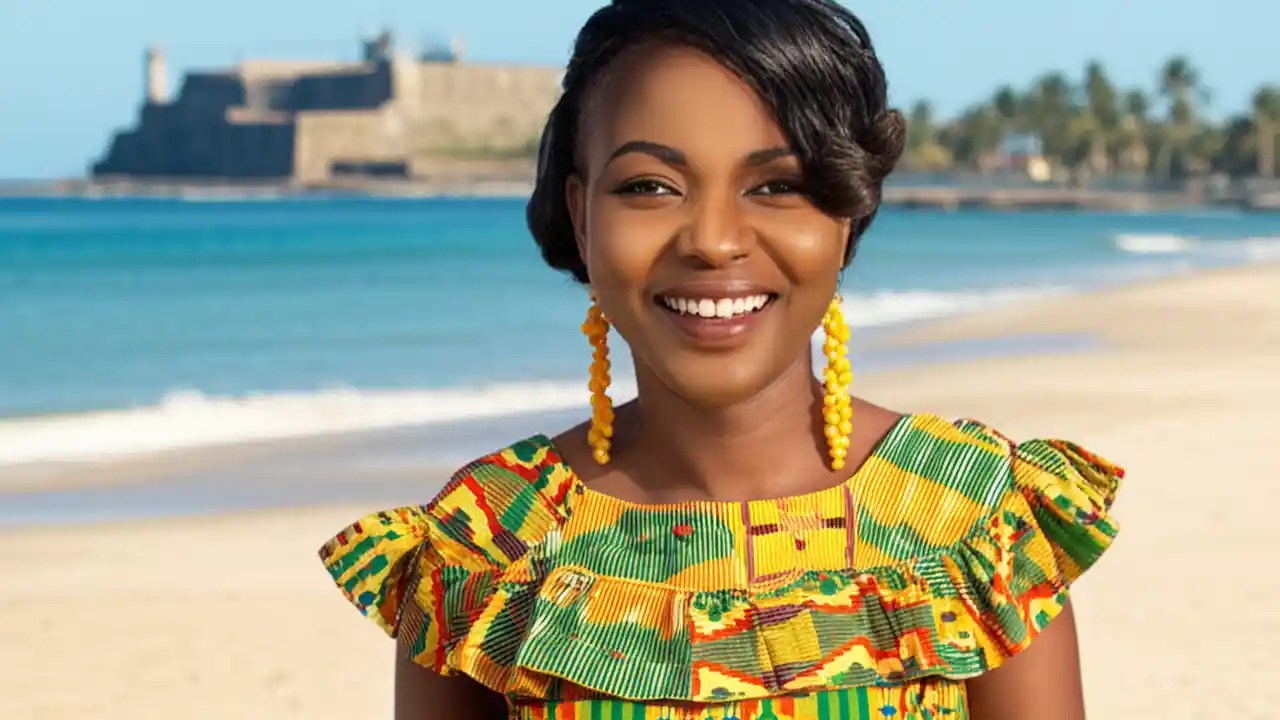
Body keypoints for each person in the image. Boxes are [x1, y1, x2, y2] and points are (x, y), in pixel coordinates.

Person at [318, 1, 1122, 718]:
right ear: (581, 213)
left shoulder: (978, 523)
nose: (712, 240)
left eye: (776, 187)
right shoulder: (487, 547)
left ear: (845, 217)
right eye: (649, 187)